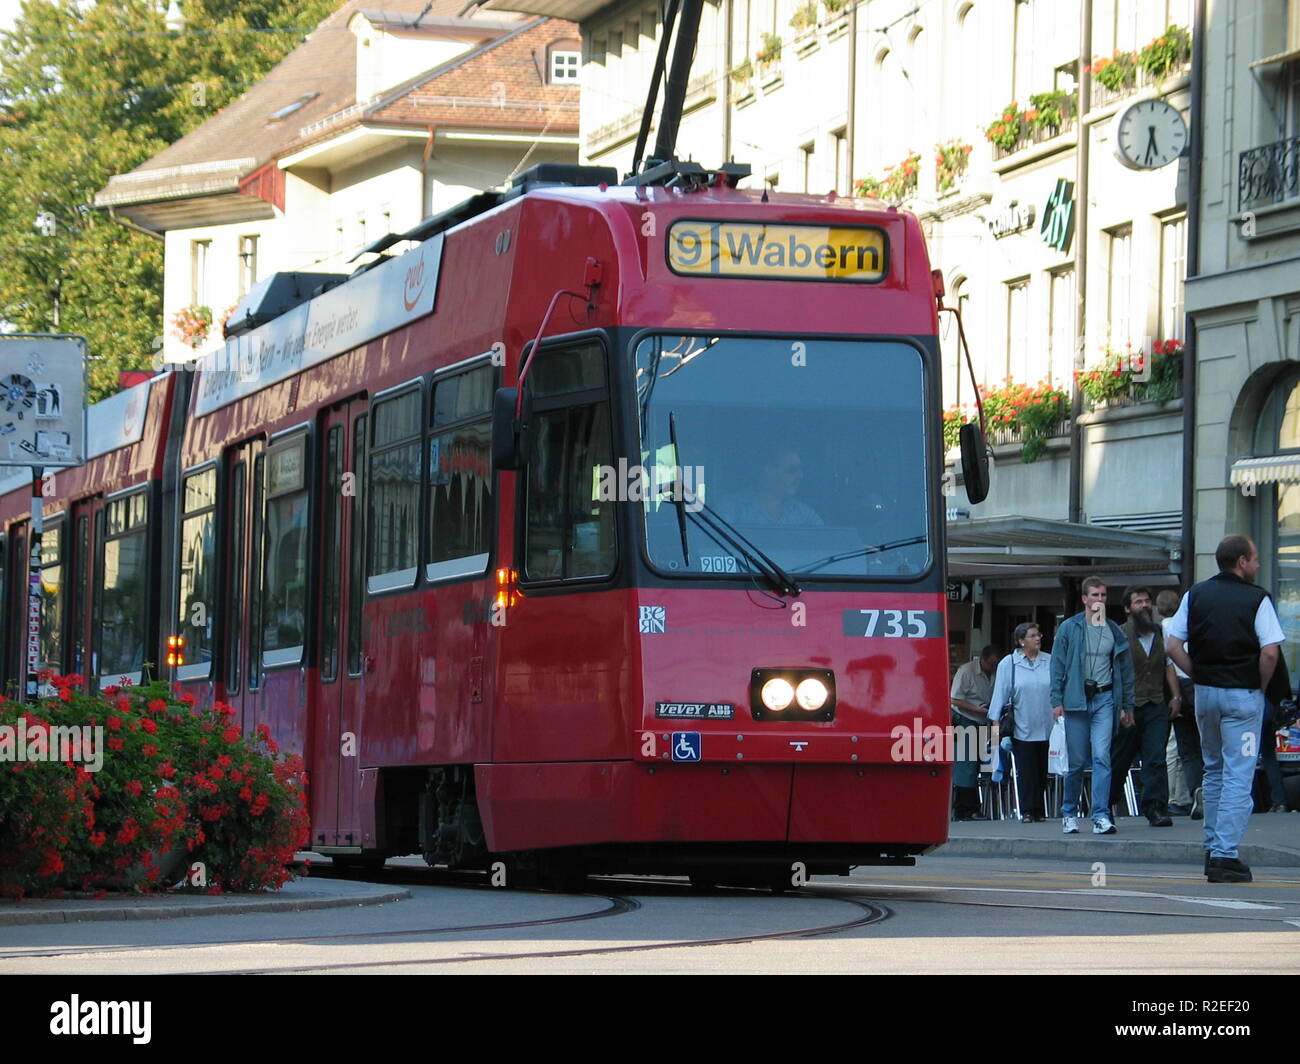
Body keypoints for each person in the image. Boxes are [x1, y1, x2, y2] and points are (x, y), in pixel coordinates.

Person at [1166, 534, 1285, 884]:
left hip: (1206, 696)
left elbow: (1173, 646)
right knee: (1239, 775)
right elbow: (1270, 653)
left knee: (1213, 770)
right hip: (1241, 695)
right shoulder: (1256, 599)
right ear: (1242, 562)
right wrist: (1259, 688)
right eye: (1255, 558)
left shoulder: (1195, 594)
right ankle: (1225, 854)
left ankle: (1212, 846)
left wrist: (1199, 674)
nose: (1259, 565)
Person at [1049, 576, 1136, 835]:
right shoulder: (1070, 627)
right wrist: (1056, 700)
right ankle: (1068, 812)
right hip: (1076, 700)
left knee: (1102, 757)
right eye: (1095, 595)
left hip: (1105, 698)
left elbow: (1126, 671)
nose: (1099, 600)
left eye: (1103, 596)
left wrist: (1127, 705)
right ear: (1085, 599)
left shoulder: (1114, 630)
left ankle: (1100, 814)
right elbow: (1057, 665)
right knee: (1076, 762)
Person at [1109, 587, 1181, 826]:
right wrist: (1119, 706)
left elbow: (1168, 664)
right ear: (1128, 609)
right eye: (1138, 602)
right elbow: (1113, 673)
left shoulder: (1159, 632)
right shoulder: (1118, 635)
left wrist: (1176, 696)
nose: (1144, 605)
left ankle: (1156, 808)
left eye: (1147, 601)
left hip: (1156, 703)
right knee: (1121, 758)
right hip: (1128, 706)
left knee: (1156, 758)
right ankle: (1106, 804)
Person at [989, 623, 1053, 822]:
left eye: (1038, 634)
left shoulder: (1049, 661)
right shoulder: (1009, 663)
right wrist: (995, 724)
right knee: (1027, 769)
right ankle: (1027, 809)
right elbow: (1000, 693)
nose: (1038, 638)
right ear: (1021, 641)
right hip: (1022, 724)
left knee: (1042, 768)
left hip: (1047, 723)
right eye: (1033, 635)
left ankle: (1039, 809)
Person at [1158, 587, 1203, 819]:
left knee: (1182, 748)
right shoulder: (1191, 625)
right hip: (1198, 686)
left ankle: (1182, 794)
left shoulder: (1164, 629)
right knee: (1204, 743)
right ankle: (1196, 791)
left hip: (1178, 687)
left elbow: (1169, 657)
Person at [950, 645, 1000, 820]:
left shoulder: (996, 673)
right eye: (990, 664)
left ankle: (972, 807)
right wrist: (977, 710)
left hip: (985, 720)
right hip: (966, 718)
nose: (992, 668)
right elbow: (954, 699)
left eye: (995, 664)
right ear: (983, 660)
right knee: (966, 765)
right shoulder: (966, 671)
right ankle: (965, 808)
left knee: (981, 765)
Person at [724, 445, 823, 525]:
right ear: (768, 471)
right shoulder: (731, 510)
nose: (800, 476)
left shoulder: (806, 516)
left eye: (800, 470)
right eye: (791, 470)